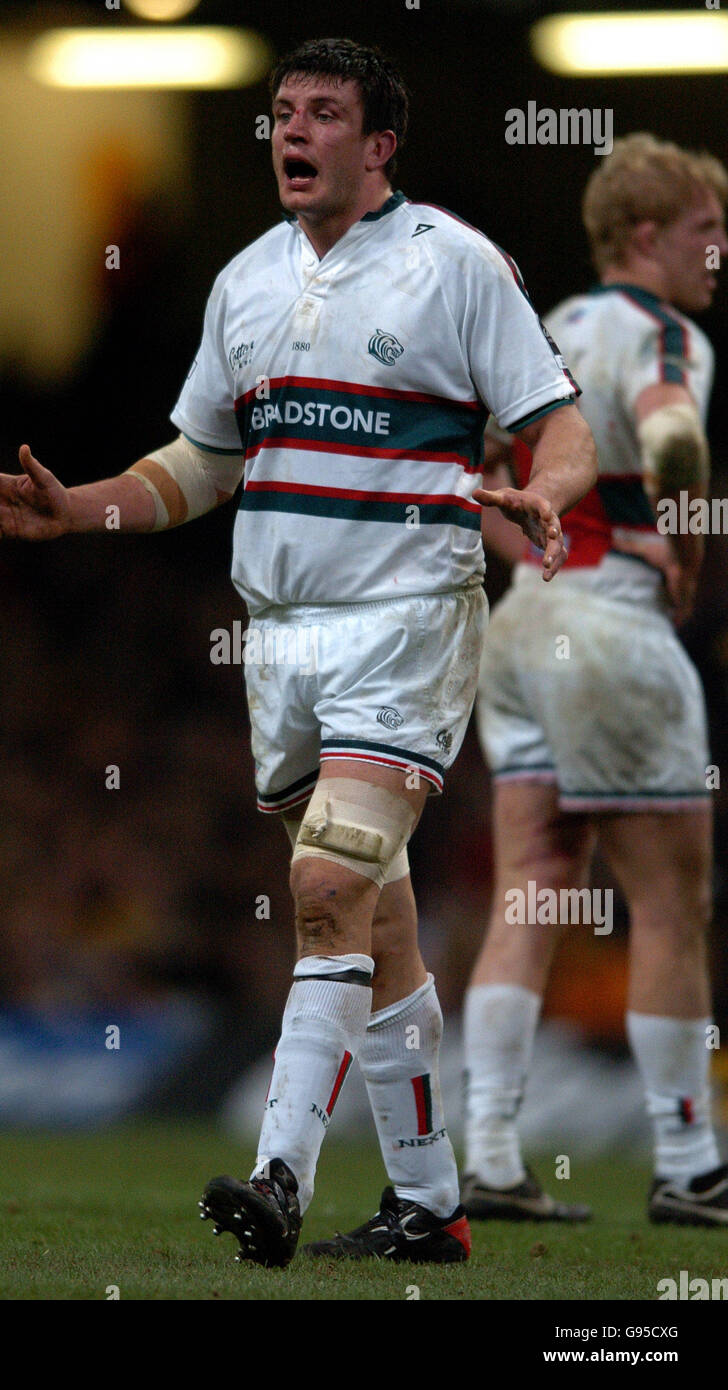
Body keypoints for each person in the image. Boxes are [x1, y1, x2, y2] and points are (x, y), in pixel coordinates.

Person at [0, 38, 596, 1267]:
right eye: (282, 113)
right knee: (376, 922)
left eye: (323, 114)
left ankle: (278, 1176)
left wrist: (546, 493)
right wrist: (76, 505)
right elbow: (202, 463)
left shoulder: (454, 267)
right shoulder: (245, 281)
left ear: (378, 142)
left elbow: (558, 423)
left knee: (327, 889)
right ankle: (427, 1206)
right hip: (281, 646)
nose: (293, 133)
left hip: (407, 624)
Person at [461, 133, 728, 1227]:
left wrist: (543, 560)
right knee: (671, 901)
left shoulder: (545, 330)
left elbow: (475, 479)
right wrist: (685, 550)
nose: (720, 254)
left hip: (520, 632)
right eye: (708, 232)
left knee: (529, 884)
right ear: (647, 235)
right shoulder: (662, 332)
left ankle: (483, 1154)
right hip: (613, 627)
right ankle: (688, 1163)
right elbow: (671, 439)